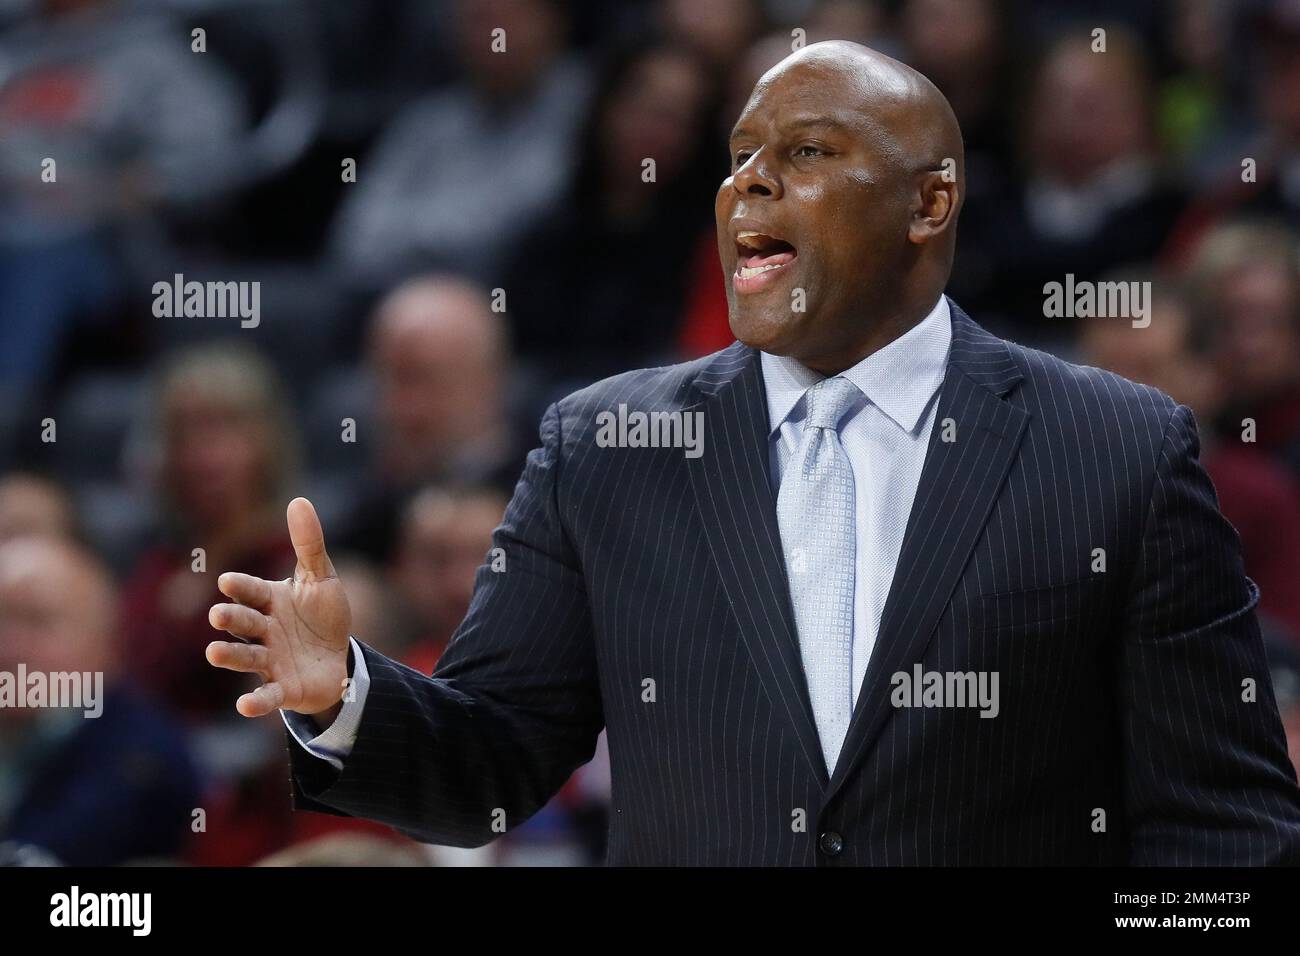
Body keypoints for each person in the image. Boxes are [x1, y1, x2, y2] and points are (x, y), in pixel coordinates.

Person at [207, 41, 1300, 865]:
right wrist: (341, 693)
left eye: (805, 153)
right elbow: (492, 763)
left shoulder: (1115, 446)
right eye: (738, 161)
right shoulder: (606, 446)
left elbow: (1224, 826)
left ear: (930, 202)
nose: (748, 187)